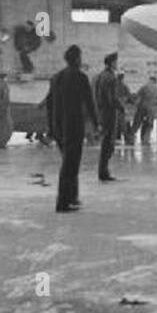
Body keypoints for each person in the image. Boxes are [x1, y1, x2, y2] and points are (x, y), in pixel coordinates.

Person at [47, 44, 98, 212]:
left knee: (70, 163)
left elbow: (49, 103)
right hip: (74, 126)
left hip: (59, 127)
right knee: (70, 166)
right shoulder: (80, 77)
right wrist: (96, 124)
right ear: (77, 59)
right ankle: (62, 203)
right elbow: (90, 103)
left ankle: (72, 197)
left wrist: (51, 127)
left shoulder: (56, 78)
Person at [93, 52, 123, 181]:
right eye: (116, 62)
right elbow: (112, 98)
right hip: (110, 113)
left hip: (102, 111)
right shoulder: (111, 77)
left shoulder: (100, 76)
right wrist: (120, 107)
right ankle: (104, 173)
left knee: (106, 142)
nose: (117, 64)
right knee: (109, 143)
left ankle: (103, 171)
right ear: (111, 63)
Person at [135, 75, 157, 144]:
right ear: (155, 81)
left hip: (141, 107)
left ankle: (131, 138)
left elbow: (137, 96)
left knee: (137, 123)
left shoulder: (144, 87)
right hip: (151, 109)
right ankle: (145, 139)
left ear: (150, 80)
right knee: (149, 124)